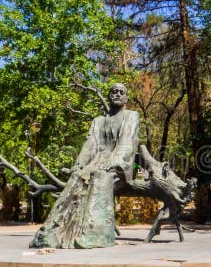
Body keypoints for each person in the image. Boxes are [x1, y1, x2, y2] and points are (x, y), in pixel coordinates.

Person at [32, 83, 140, 249]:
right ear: (109, 96)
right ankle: (53, 230)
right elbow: (90, 144)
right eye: (114, 92)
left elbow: (127, 144)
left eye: (121, 92)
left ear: (126, 97)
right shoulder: (99, 121)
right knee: (77, 177)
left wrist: (112, 161)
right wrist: (80, 163)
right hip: (97, 162)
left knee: (100, 177)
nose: (117, 94)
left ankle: (96, 233)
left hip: (119, 166)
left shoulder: (131, 115)